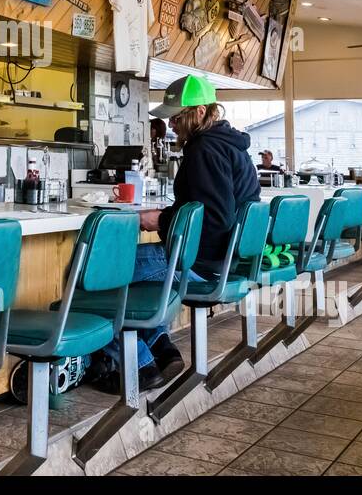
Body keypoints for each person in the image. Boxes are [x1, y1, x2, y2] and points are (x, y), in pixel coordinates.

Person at [91, 75, 261, 393]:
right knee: (118, 273)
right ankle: (161, 349)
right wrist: (168, 218)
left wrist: (161, 220)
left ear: (200, 112)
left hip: (201, 260)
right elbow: (210, 213)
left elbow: (210, 220)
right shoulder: (230, 147)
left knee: (97, 272)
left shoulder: (204, 150)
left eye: (178, 116)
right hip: (223, 258)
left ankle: (139, 365)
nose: (173, 125)